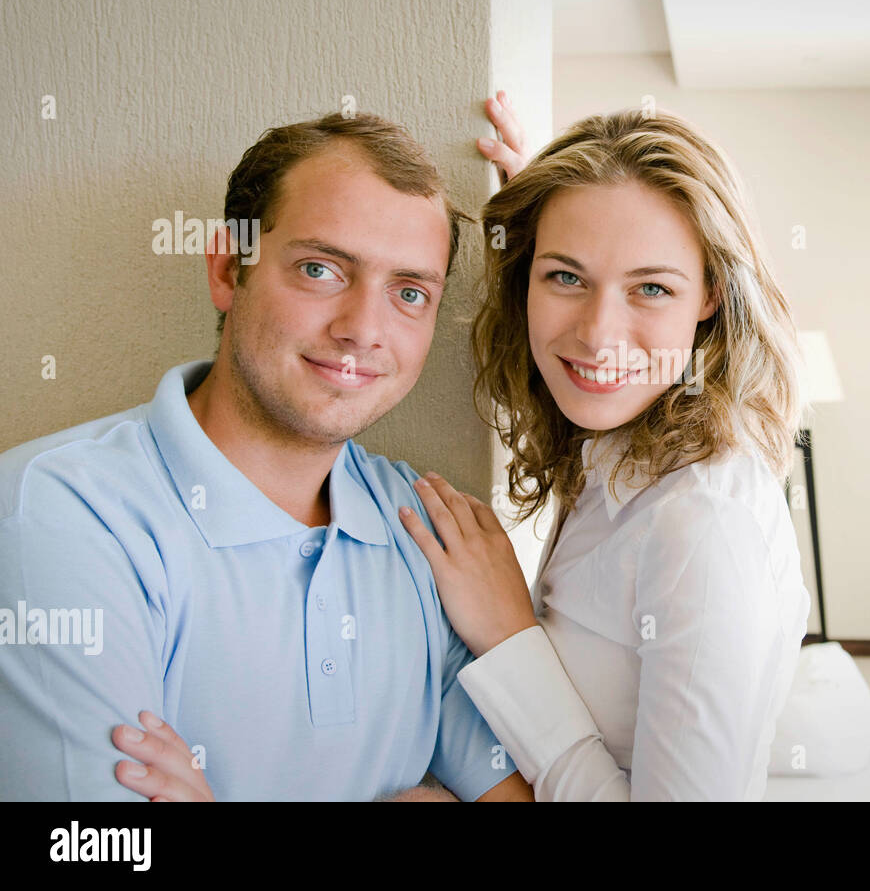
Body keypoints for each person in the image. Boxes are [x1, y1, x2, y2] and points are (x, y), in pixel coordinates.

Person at [0, 104, 534, 801]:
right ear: (228, 268)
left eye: (409, 292)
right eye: (321, 269)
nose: (362, 330)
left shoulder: (429, 529)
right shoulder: (60, 511)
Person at [399, 108, 812, 800]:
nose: (598, 335)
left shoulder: (703, 526)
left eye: (651, 287)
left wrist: (509, 635)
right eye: (566, 277)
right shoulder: (615, 451)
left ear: (710, 291)